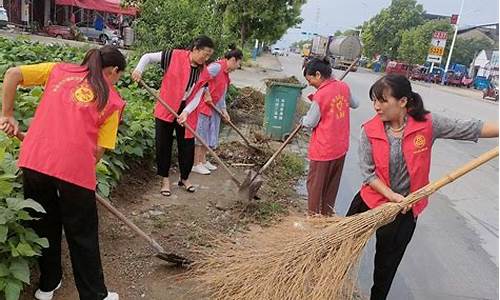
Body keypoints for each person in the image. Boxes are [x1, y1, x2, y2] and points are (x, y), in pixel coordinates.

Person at [346, 74, 499, 300]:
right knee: (340, 245)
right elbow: (368, 174)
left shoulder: (427, 124)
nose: (376, 106)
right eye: (374, 101)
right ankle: (322, 282)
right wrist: (391, 195)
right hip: (371, 200)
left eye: (382, 101)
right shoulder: (369, 130)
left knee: (386, 266)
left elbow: (471, 128)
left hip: (405, 210)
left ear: (403, 102)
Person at [1, 46, 127, 300]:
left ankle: (48, 285)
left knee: (43, 223)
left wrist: (7, 115)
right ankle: (94, 295)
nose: (116, 82)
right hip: (74, 170)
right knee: (82, 234)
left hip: (36, 159)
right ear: (113, 71)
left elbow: (13, 73)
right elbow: (97, 154)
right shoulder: (112, 101)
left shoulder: (58, 70)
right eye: (118, 77)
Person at [132, 35, 214, 196]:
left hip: (186, 108)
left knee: (187, 144)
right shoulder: (174, 56)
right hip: (166, 105)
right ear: (195, 49)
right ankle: (165, 179)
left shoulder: (202, 70)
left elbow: (198, 95)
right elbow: (147, 57)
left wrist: (186, 112)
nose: (206, 58)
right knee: (164, 144)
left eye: (209, 55)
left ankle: (184, 178)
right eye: (205, 54)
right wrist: (138, 69)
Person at [301, 57, 359, 216]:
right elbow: (355, 104)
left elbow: (310, 122)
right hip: (340, 148)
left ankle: (313, 217)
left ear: (318, 75)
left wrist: (302, 120)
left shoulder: (321, 95)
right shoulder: (343, 87)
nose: (309, 83)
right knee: (331, 185)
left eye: (310, 79)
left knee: (315, 185)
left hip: (323, 149)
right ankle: (326, 215)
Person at [187, 47, 243, 175]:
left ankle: (203, 160)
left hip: (212, 107)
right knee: (200, 135)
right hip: (202, 105)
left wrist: (224, 111)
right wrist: (205, 93)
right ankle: (196, 164)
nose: (239, 66)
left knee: (207, 134)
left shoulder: (226, 73)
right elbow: (201, 78)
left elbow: (221, 94)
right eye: (239, 63)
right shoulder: (217, 67)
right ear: (233, 60)